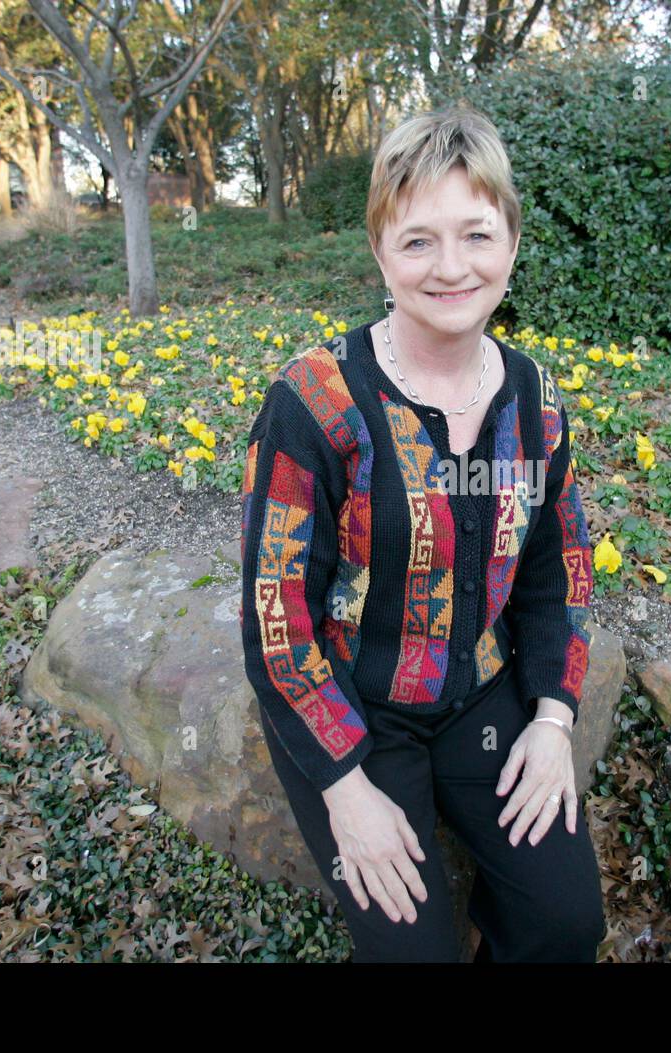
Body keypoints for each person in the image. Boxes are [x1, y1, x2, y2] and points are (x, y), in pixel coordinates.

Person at [239, 102, 604, 963]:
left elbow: (563, 573)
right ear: (379, 251)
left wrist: (553, 719)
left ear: (511, 241)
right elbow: (277, 615)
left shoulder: (535, 400)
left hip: (484, 696)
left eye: (477, 235)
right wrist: (343, 784)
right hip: (356, 708)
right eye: (418, 241)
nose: (451, 268)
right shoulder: (315, 403)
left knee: (565, 926)